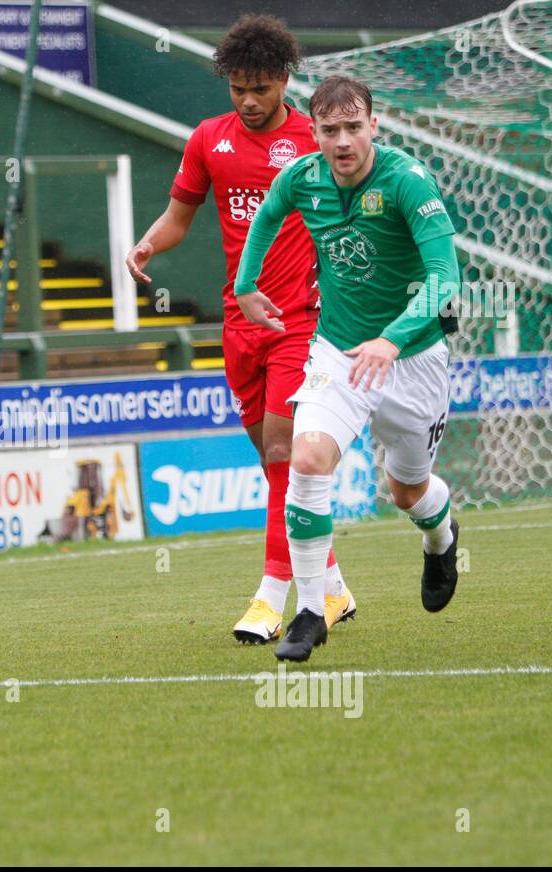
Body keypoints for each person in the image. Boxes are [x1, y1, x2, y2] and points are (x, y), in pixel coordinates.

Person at [125, 14, 355, 645]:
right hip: (238, 321)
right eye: (237, 89)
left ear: (284, 80)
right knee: (272, 462)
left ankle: (271, 599)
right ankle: (331, 584)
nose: (249, 101)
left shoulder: (317, 138)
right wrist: (148, 245)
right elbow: (179, 216)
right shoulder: (208, 140)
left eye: (261, 88)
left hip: (300, 321)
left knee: (285, 454)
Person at [234, 74, 462, 662]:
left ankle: (441, 540)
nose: (342, 142)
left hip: (412, 360)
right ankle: (311, 612)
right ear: (314, 131)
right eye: (330, 129)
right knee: (307, 457)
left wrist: (392, 339)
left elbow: (445, 277)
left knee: (406, 490)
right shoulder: (301, 178)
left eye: (353, 128)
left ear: (374, 128)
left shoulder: (409, 181)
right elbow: (265, 217)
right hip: (336, 350)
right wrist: (245, 285)